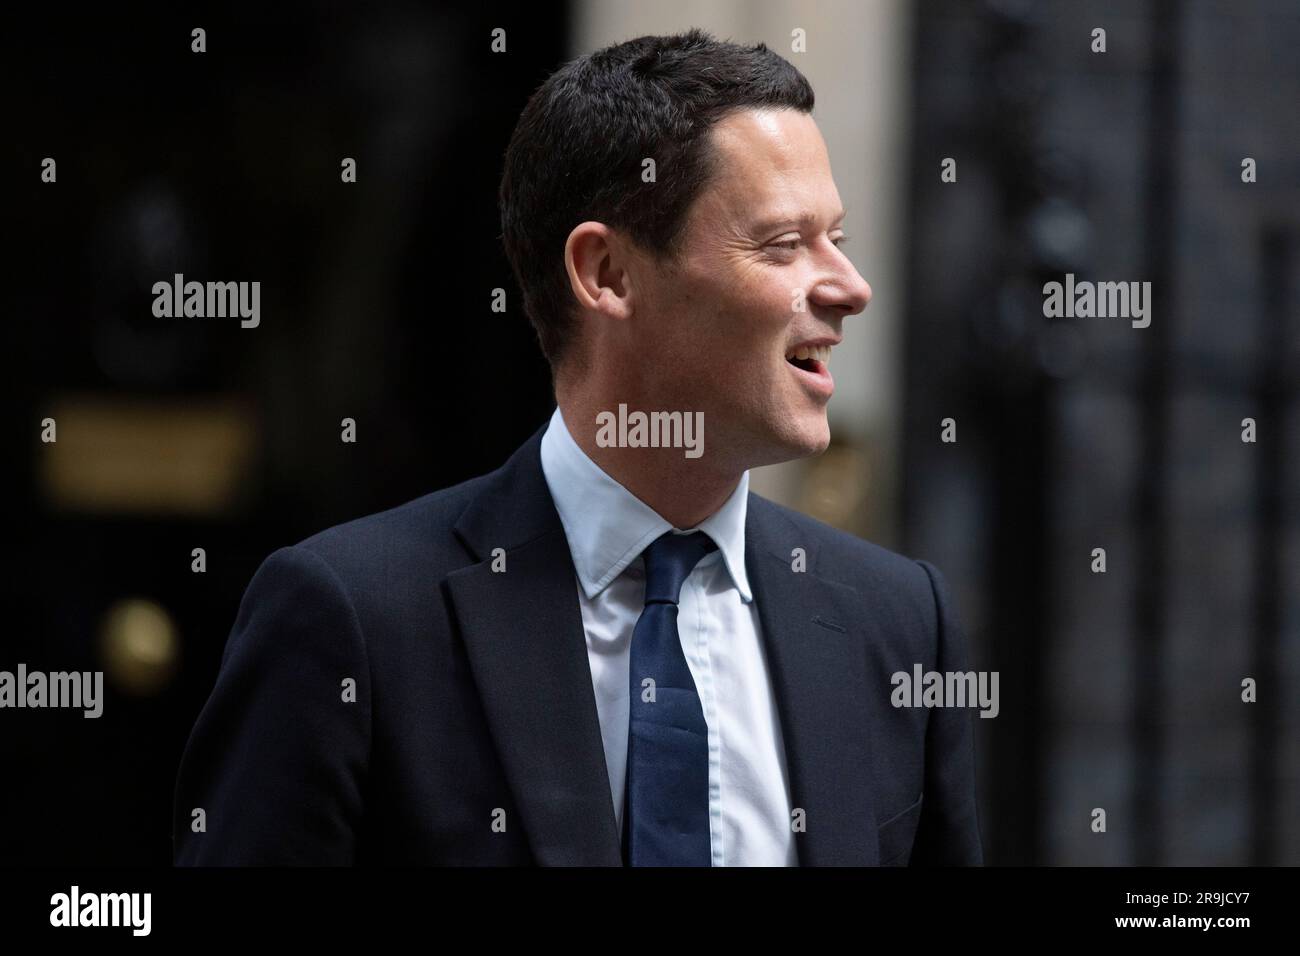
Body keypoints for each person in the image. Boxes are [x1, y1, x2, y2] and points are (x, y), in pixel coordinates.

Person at [173, 28, 983, 866]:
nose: (851, 289)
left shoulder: (896, 620)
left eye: (838, 242)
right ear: (607, 274)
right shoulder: (352, 620)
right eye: (783, 245)